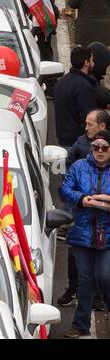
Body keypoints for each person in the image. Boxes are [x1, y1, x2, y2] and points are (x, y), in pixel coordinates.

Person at [58, 130, 110, 338]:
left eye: (104, 148)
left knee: (105, 277)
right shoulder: (79, 167)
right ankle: (80, 326)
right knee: (85, 281)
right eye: (96, 147)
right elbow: (64, 190)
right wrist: (83, 199)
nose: (99, 151)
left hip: (107, 236)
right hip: (82, 234)